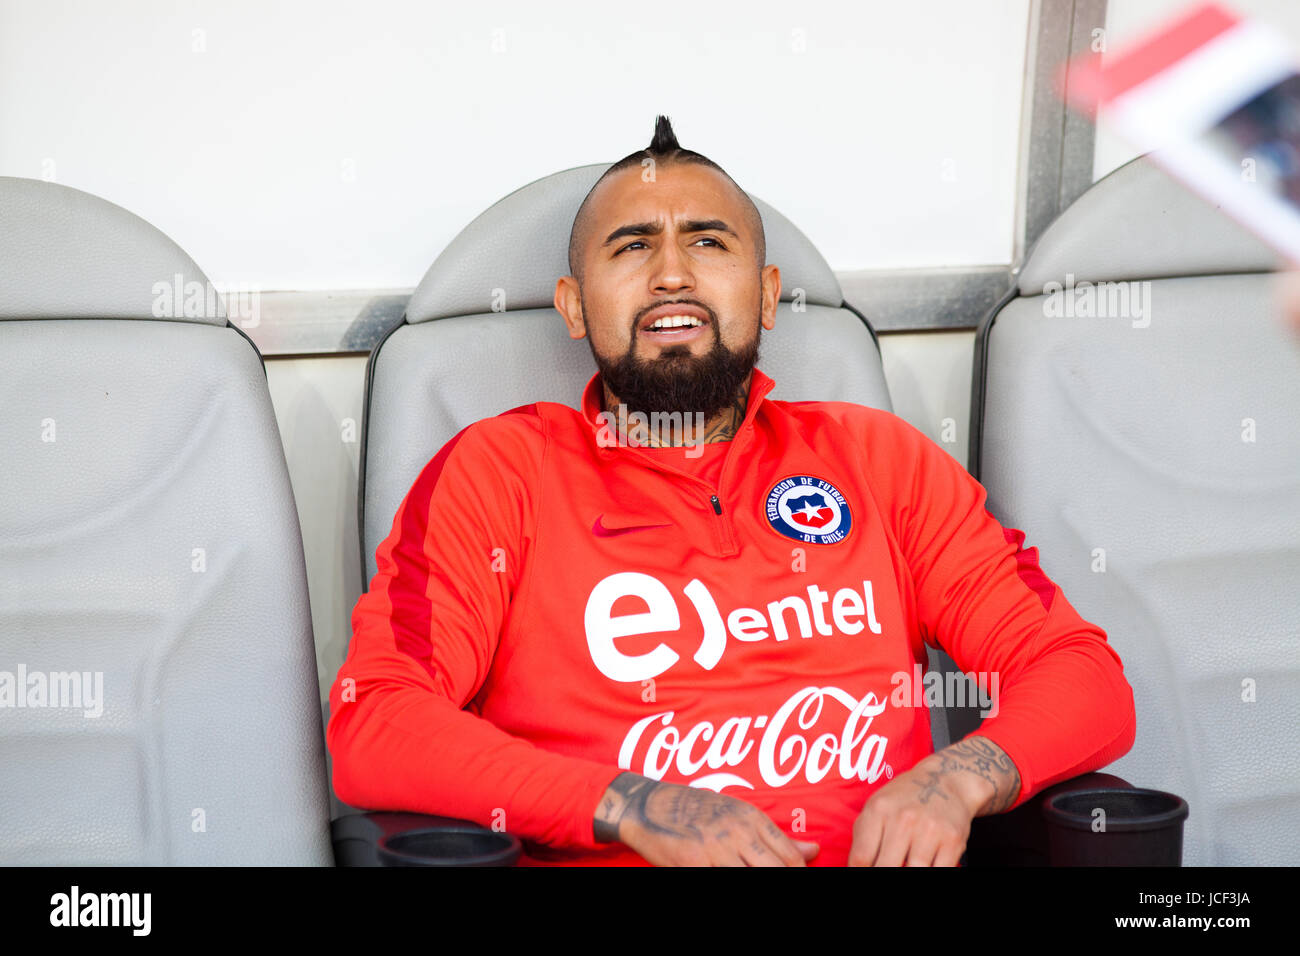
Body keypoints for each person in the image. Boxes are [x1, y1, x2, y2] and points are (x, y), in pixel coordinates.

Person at [327, 115, 1136, 866]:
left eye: (708, 243)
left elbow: (1084, 678)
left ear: (766, 293)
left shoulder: (880, 459)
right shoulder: (498, 473)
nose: (673, 273)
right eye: (632, 247)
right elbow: (378, 719)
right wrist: (634, 805)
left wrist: (956, 779)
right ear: (574, 306)